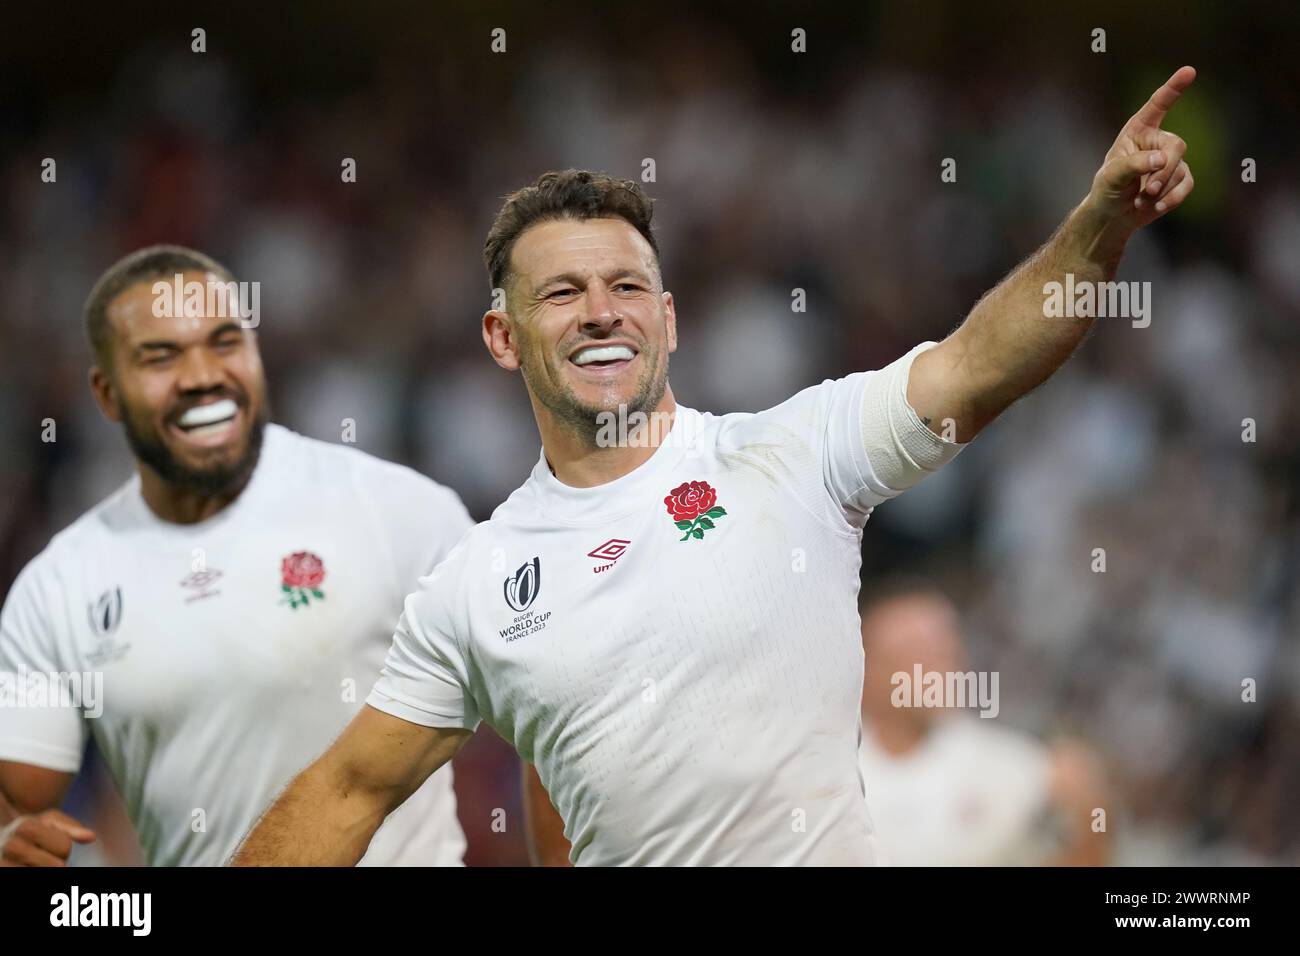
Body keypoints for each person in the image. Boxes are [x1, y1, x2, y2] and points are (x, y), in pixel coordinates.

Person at [234, 67, 1196, 866]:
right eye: (562, 292)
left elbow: (981, 363)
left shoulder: (795, 452)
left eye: (627, 287)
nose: (602, 311)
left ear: (670, 318)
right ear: (501, 335)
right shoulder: (476, 586)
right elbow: (346, 791)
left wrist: (1099, 227)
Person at [0, 245, 472, 866]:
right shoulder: (55, 587)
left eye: (224, 342)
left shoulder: (401, 512)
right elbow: (23, 810)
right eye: (160, 356)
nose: (202, 375)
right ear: (106, 393)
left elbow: (548, 704)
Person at [857, 580, 1108, 866]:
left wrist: (1091, 818)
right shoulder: (833, 772)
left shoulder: (1018, 767)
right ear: (867, 672)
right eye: (914, 652)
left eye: (945, 647)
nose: (939, 665)